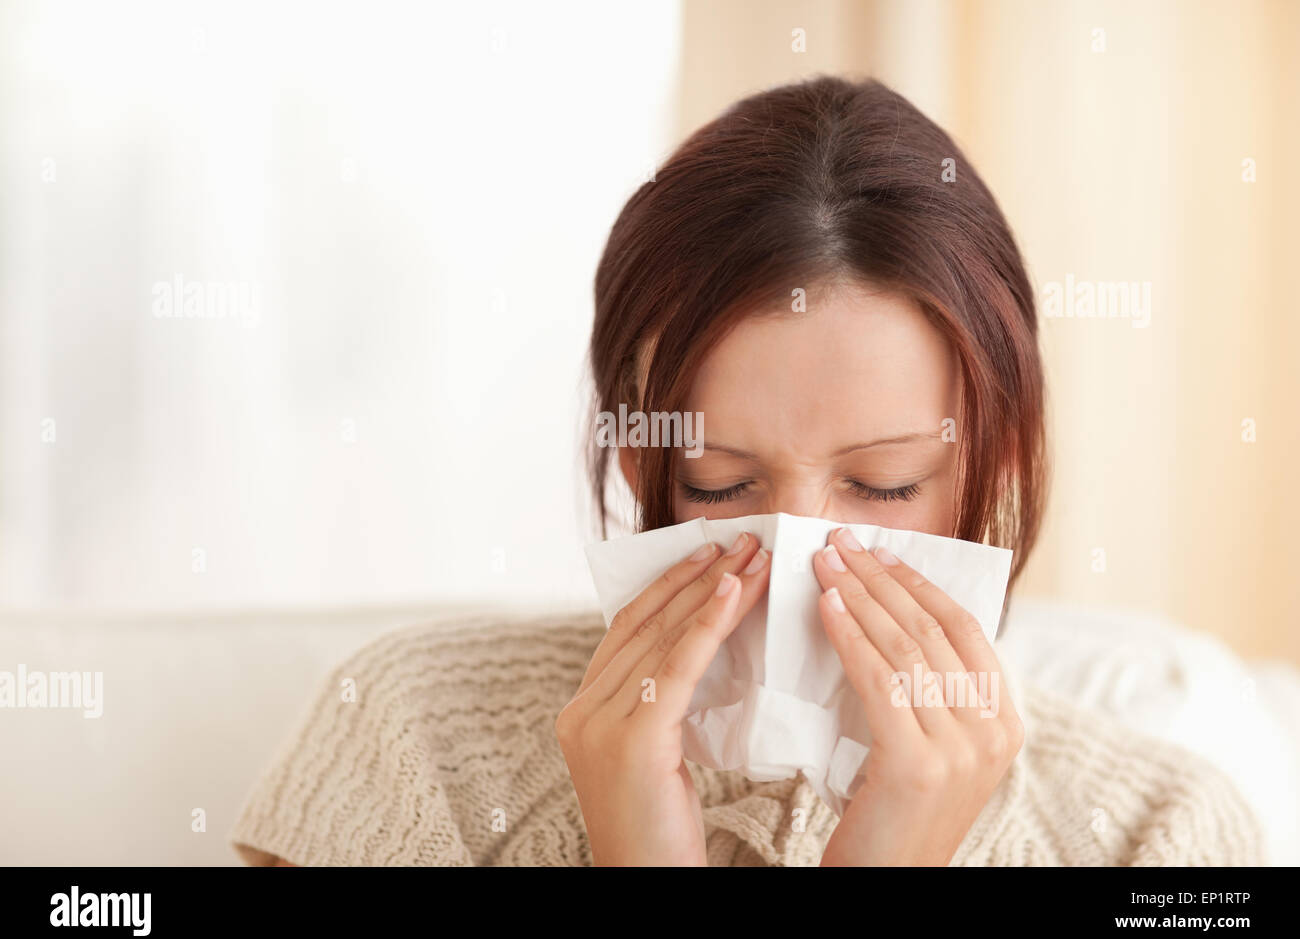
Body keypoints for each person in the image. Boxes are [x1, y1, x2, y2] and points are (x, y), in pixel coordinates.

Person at [230, 76, 1264, 866]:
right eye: (721, 482)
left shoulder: (1161, 836)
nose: (796, 559)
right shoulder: (409, 738)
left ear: (995, 470)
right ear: (642, 459)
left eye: (886, 483)